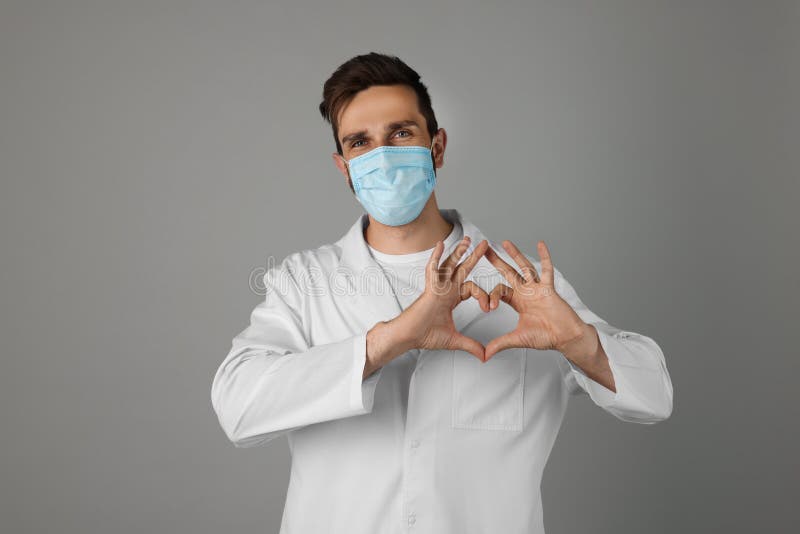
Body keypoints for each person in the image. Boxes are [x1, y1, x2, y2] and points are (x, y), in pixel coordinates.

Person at [210, 51, 674, 534]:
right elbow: (238, 407)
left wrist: (579, 344)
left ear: (437, 146)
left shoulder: (523, 284)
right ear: (343, 166)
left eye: (401, 134)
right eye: (360, 142)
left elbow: (655, 396)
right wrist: (387, 341)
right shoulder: (304, 283)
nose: (383, 156)